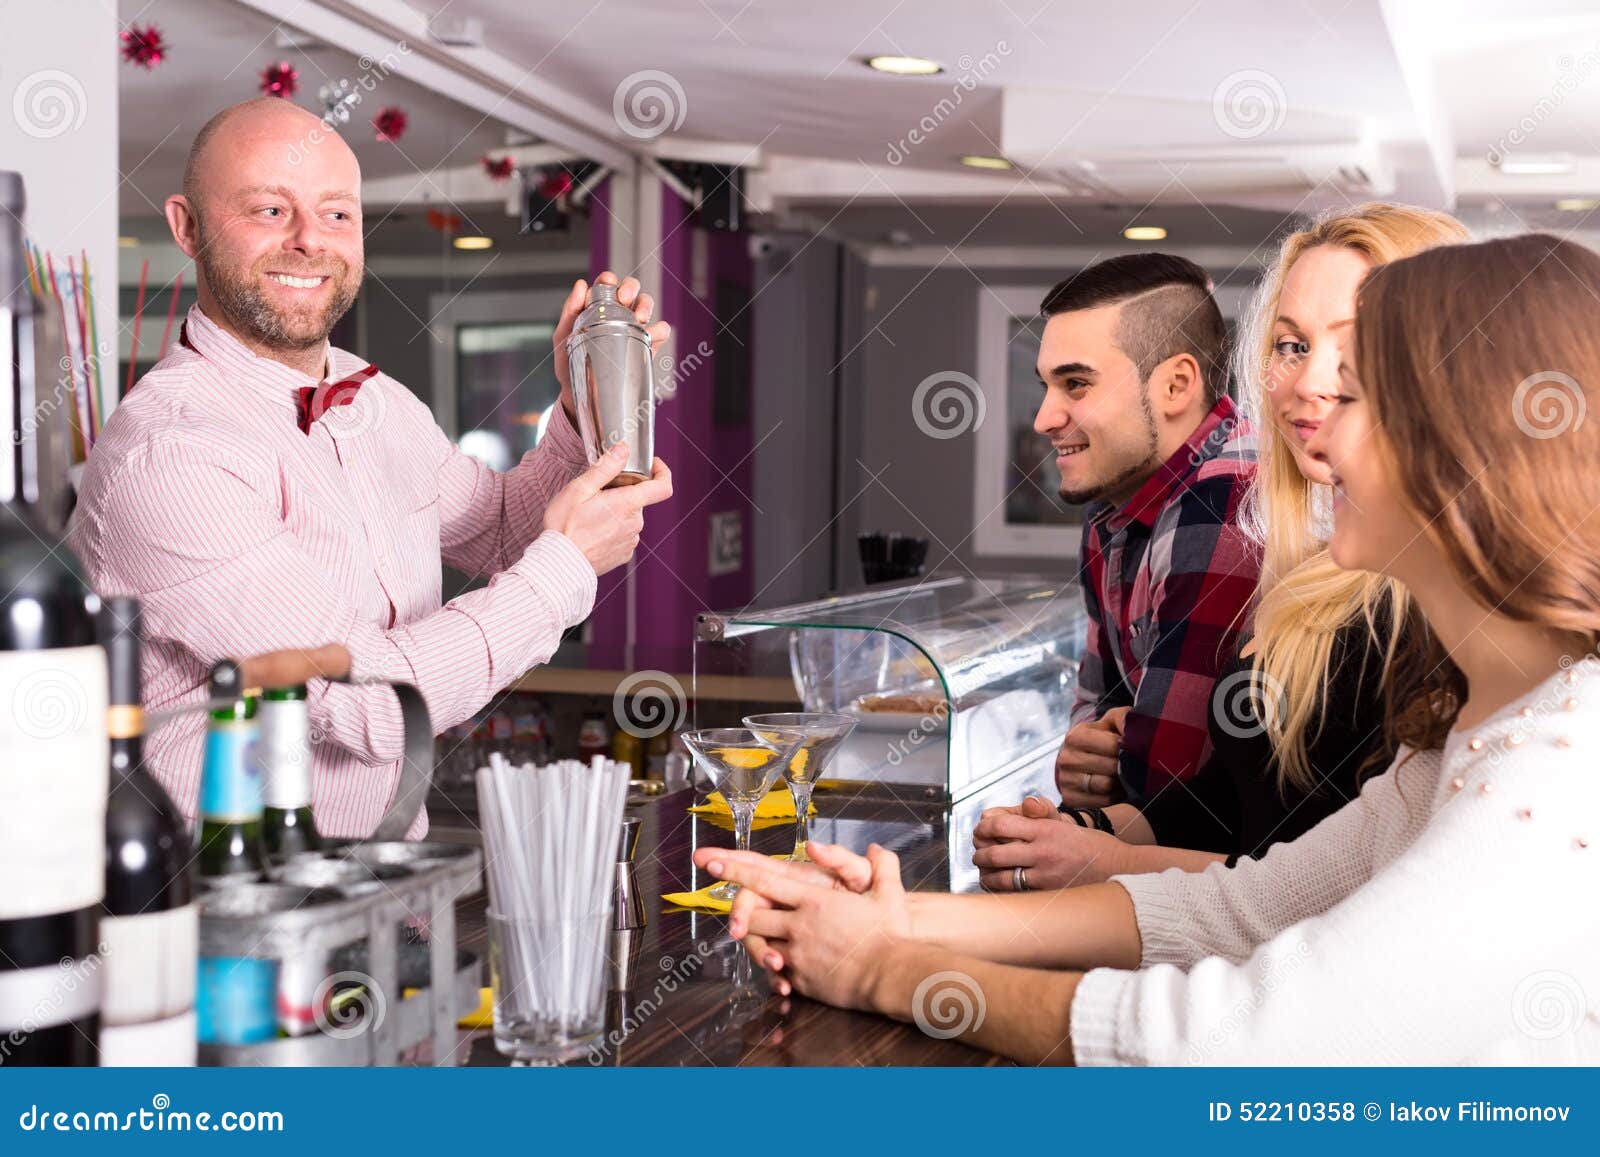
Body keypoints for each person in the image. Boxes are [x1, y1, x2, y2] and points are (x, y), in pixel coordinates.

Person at [701, 232, 1600, 1064]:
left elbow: (1233, 1043)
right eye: (1292, 351)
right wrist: (904, 920)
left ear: (1464, 447)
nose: (1313, 421)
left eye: (1356, 391)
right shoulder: (1476, 724)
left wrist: (880, 969)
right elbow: (1244, 905)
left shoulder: (1559, 773)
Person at [68, 98, 674, 839]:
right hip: (225, 908)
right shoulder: (171, 455)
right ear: (187, 227)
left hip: (378, 890)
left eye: (336, 215)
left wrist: (581, 409)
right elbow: (373, 704)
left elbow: (503, 530)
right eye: (267, 209)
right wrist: (565, 567)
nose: (307, 242)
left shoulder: (375, 397)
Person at [973, 204, 1469, 892]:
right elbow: (1226, 796)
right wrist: (1091, 826)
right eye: (1290, 346)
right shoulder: (1320, 569)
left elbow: (1332, 886)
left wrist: (1103, 848)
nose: (1304, 382)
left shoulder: (1236, 510)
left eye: (1355, 347)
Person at [1034, 254, 1259, 815]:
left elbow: (1169, 782)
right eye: (1046, 387)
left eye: (1076, 385)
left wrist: (1115, 766)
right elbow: (1098, 707)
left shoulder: (1225, 494)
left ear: (1176, 385)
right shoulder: (1112, 505)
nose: (1044, 418)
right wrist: (1089, 757)